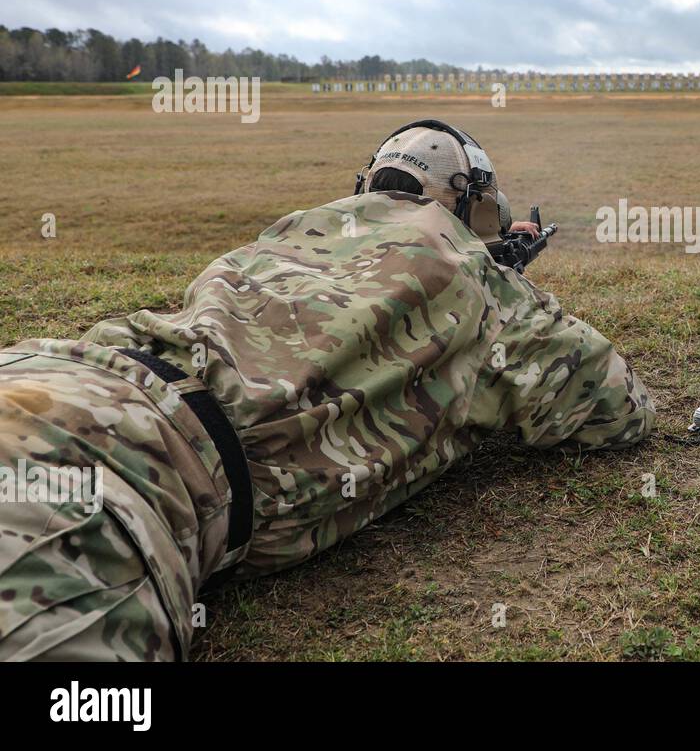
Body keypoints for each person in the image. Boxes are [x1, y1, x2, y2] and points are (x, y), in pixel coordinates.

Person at [0, 121, 655, 660]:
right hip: (130, 470)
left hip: (45, 374)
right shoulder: (481, 282)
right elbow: (616, 410)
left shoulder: (297, 229)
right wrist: (509, 281)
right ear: (473, 203)